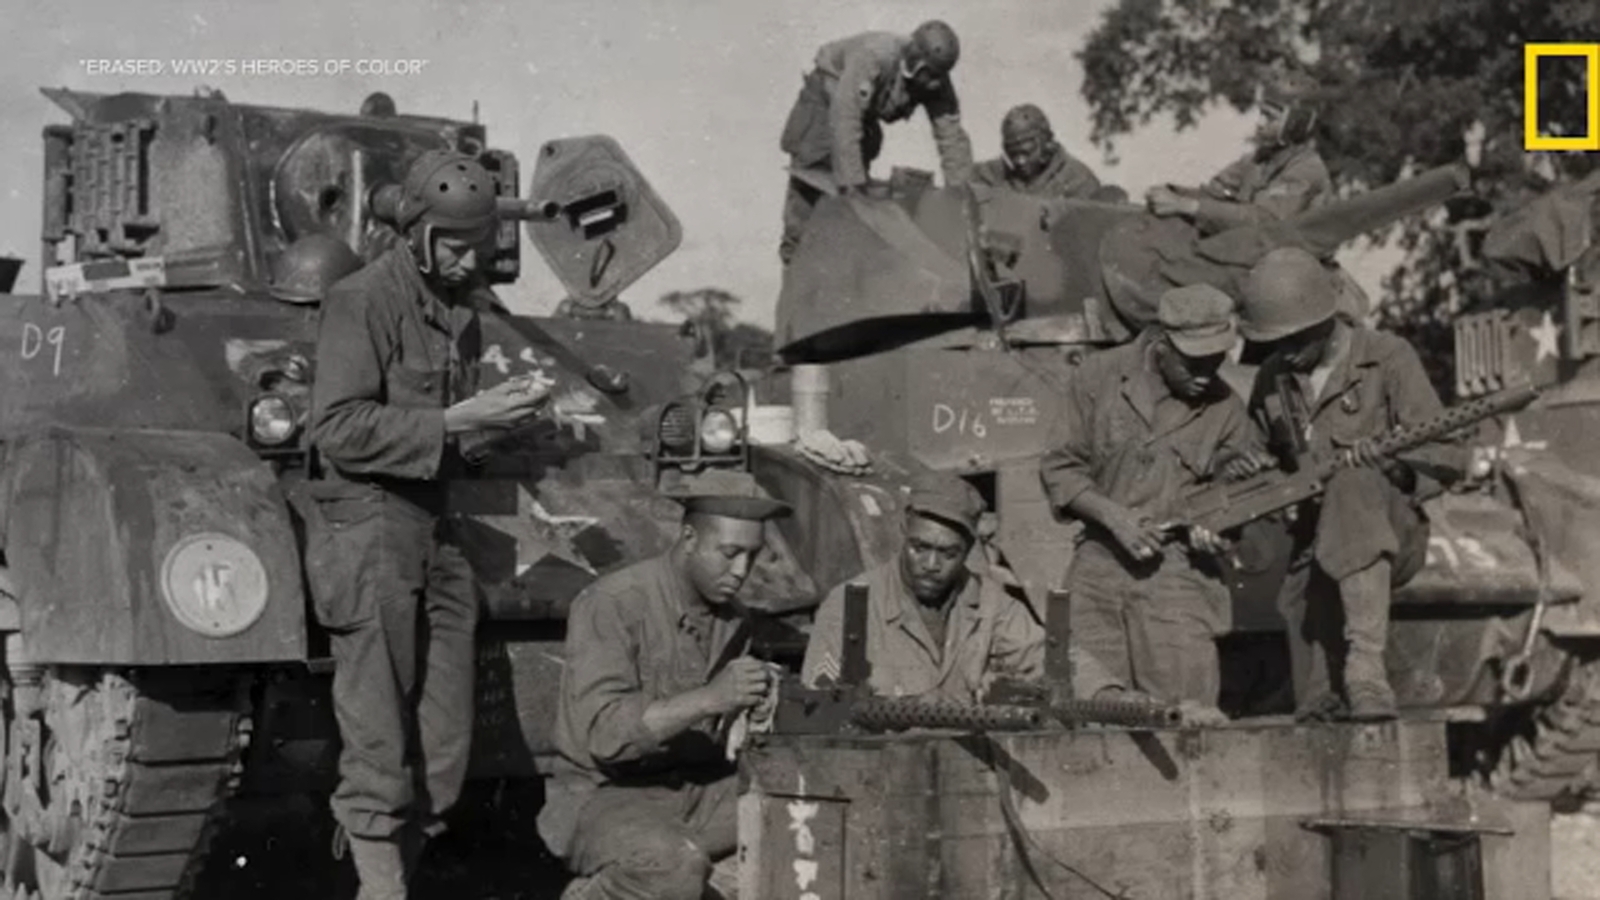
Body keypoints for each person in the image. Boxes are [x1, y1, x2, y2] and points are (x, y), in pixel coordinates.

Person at [303, 150, 552, 899]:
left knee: (444, 740)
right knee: (379, 732)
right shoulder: (362, 299)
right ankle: (383, 886)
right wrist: (453, 419)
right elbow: (337, 429)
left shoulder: (455, 309)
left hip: (432, 528)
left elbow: (450, 437)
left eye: (477, 242)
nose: (466, 255)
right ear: (412, 229)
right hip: (368, 529)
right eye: (451, 240)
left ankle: (404, 862)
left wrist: (504, 423)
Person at [1224, 247, 1469, 722]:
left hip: (1390, 531)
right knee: (1317, 706)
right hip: (1316, 544)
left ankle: (1366, 667)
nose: (1284, 352)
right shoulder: (1275, 376)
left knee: (1354, 481)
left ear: (1324, 320)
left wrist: (1395, 468)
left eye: (1294, 339)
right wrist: (1248, 465)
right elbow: (1261, 454)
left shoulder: (1387, 358)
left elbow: (1451, 454)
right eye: (1275, 343)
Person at [543, 469, 792, 900]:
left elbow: (725, 729)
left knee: (801, 814)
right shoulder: (614, 603)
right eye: (729, 553)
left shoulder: (735, 618)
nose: (741, 571)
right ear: (689, 538)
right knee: (674, 865)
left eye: (752, 557)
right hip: (606, 796)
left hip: (695, 792)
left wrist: (760, 703)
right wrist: (712, 698)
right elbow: (605, 738)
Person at [1039, 283, 1258, 716]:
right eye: (1195, 362)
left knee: (1188, 717)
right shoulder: (1097, 378)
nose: (1206, 375)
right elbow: (1060, 468)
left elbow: (1236, 499)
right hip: (1097, 566)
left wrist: (1217, 530)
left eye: (1217, 361)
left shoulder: (1227, 410)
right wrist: (1114, 517)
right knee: (1091, 710)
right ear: (1161, 343)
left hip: (1176, 574)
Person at [799, 470, 1050, 703]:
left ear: (968, 550)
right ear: (903, 531)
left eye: (948, 553)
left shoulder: (991, 604)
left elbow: (1054, 662)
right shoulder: (848, 606)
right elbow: (817, 709)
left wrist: (1012, 688)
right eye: (919, 548)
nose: (931, 564)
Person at [778, 20, 975, 264]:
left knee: (849, 224)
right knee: (812, 204)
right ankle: (794, 277)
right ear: (916, 62)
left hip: (860, 118)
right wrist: (852, 188)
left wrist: (961, 203)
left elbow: (952, 139)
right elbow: (845, 117)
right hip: (825, 106)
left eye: (940, 77)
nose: (935, 84)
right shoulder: (875, 55)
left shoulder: (937, 80)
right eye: (931, 75)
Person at [1145, 68, 1332, 236]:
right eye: (1262, 113)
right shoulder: (1257, 161)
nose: (1260, 123)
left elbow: (1266, 220)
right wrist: (1173, 193)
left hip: (1290, 266)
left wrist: (1186, 206)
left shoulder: (1307, 169)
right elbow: (1214, 194)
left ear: (1295, 124)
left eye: (1270, 117)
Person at [971, 103, 1102, 200]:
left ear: (1047, 143)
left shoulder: (1077, 180)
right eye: (1013, 154)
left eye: (1026, 153)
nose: (1020, 161)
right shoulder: (991, 175)